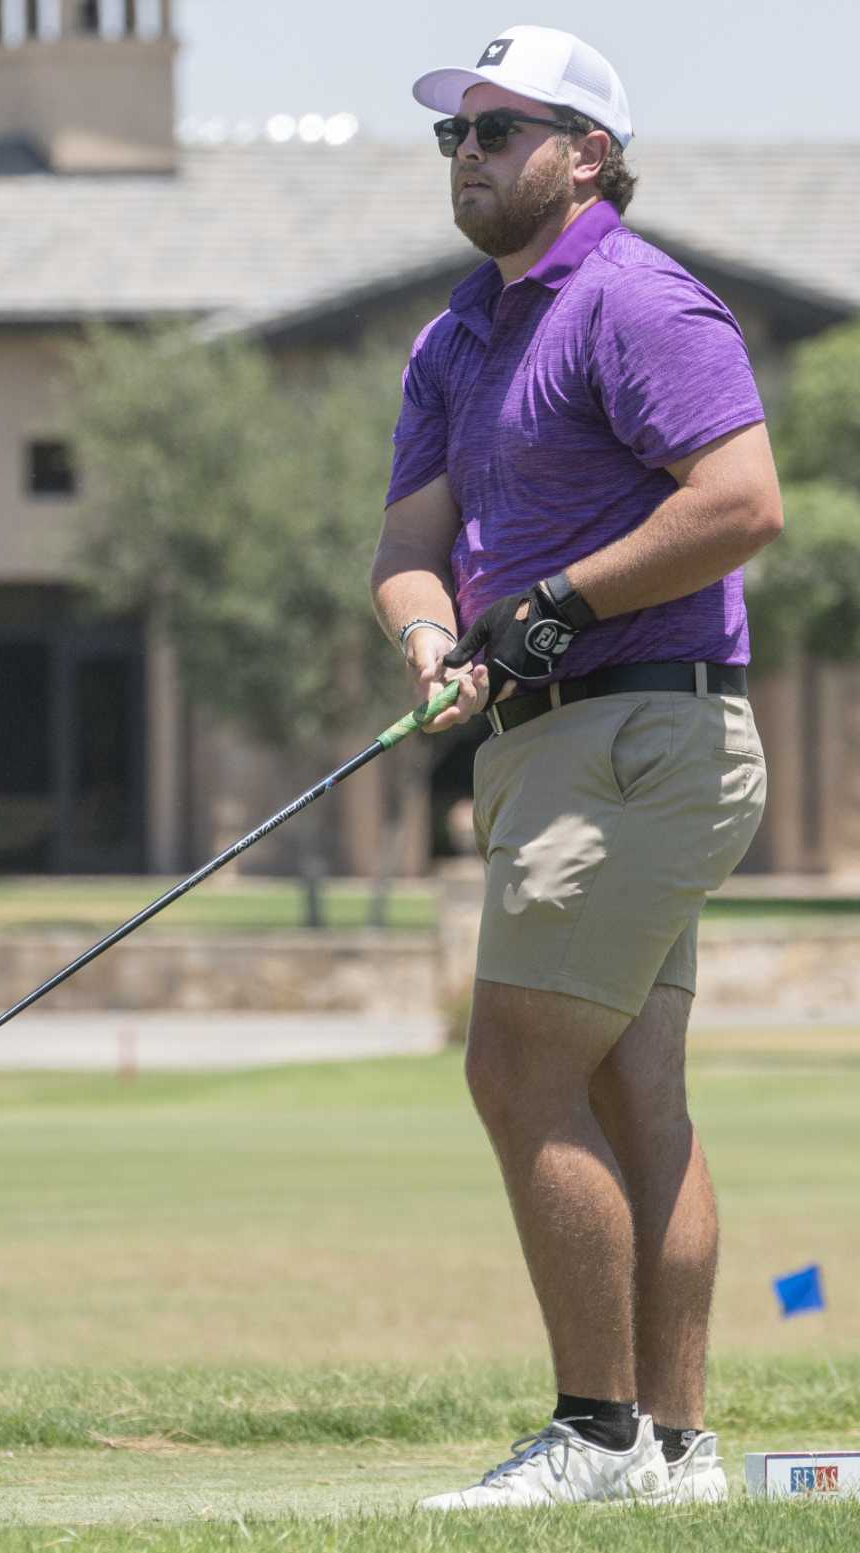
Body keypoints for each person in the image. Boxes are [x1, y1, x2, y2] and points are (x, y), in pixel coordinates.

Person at [369, 23, 783, 1510]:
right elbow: (412, 551)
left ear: (585, 153)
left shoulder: (637, 299)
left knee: (516, 1065)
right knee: (631, 1091)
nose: (465, 158)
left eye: (497, 132)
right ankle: (675, 1452)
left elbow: (740, 501)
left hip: (641, 728)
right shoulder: (455, 336)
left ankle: (597, 1433)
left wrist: (554, 604)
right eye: (453, 137)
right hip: (558, 741)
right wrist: (434, 644)